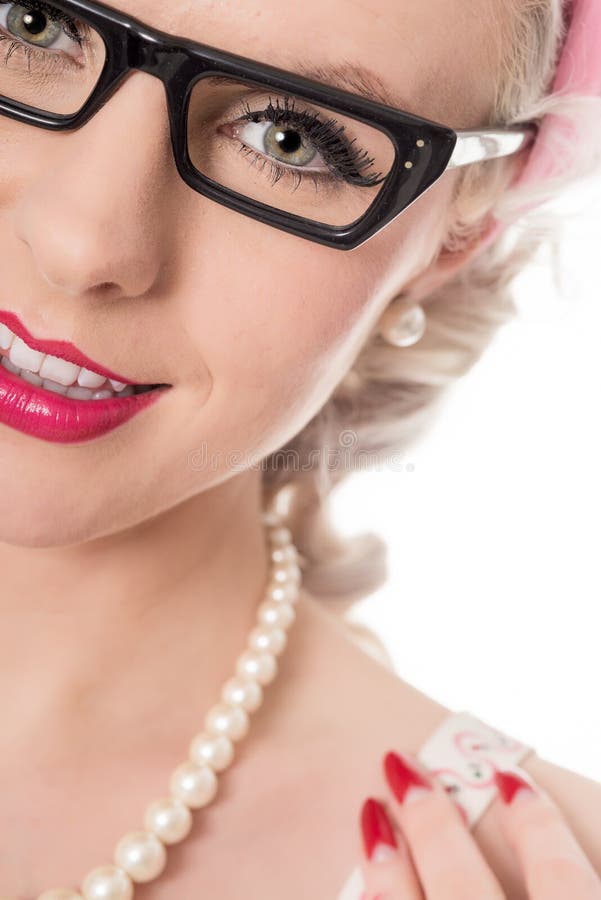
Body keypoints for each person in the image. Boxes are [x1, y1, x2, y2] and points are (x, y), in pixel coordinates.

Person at [0, 0, 599, 897]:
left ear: (451, 241)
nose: (81, 243)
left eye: (290, 135)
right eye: (32, 25)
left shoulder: (527, 865)